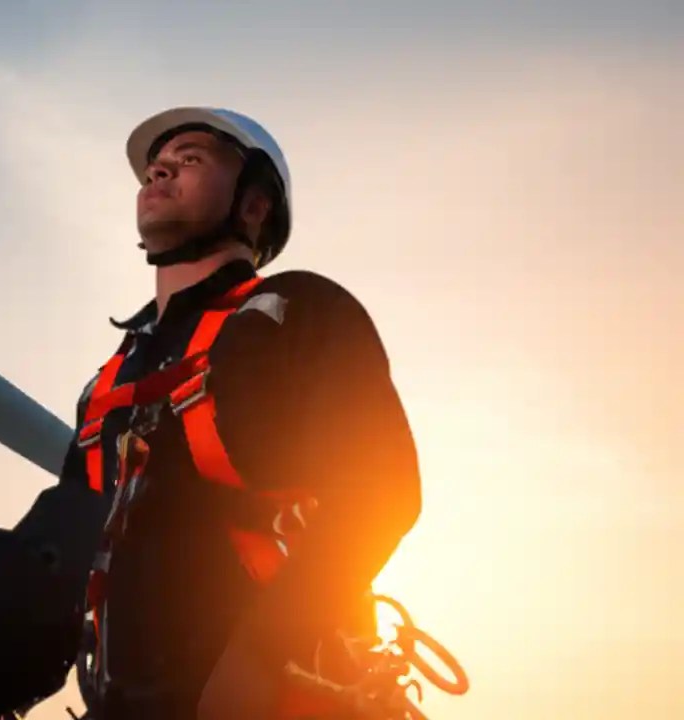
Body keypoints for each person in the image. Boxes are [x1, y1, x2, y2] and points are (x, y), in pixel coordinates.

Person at [33, 107, 425, 719]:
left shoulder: (295, 312)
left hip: (285, 697)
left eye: (190, 158)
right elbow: (66, 536)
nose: (160, 170)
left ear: (254, 206)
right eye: (154, 166)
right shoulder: (108, 383)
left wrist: (260, 661)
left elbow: (383, 490)